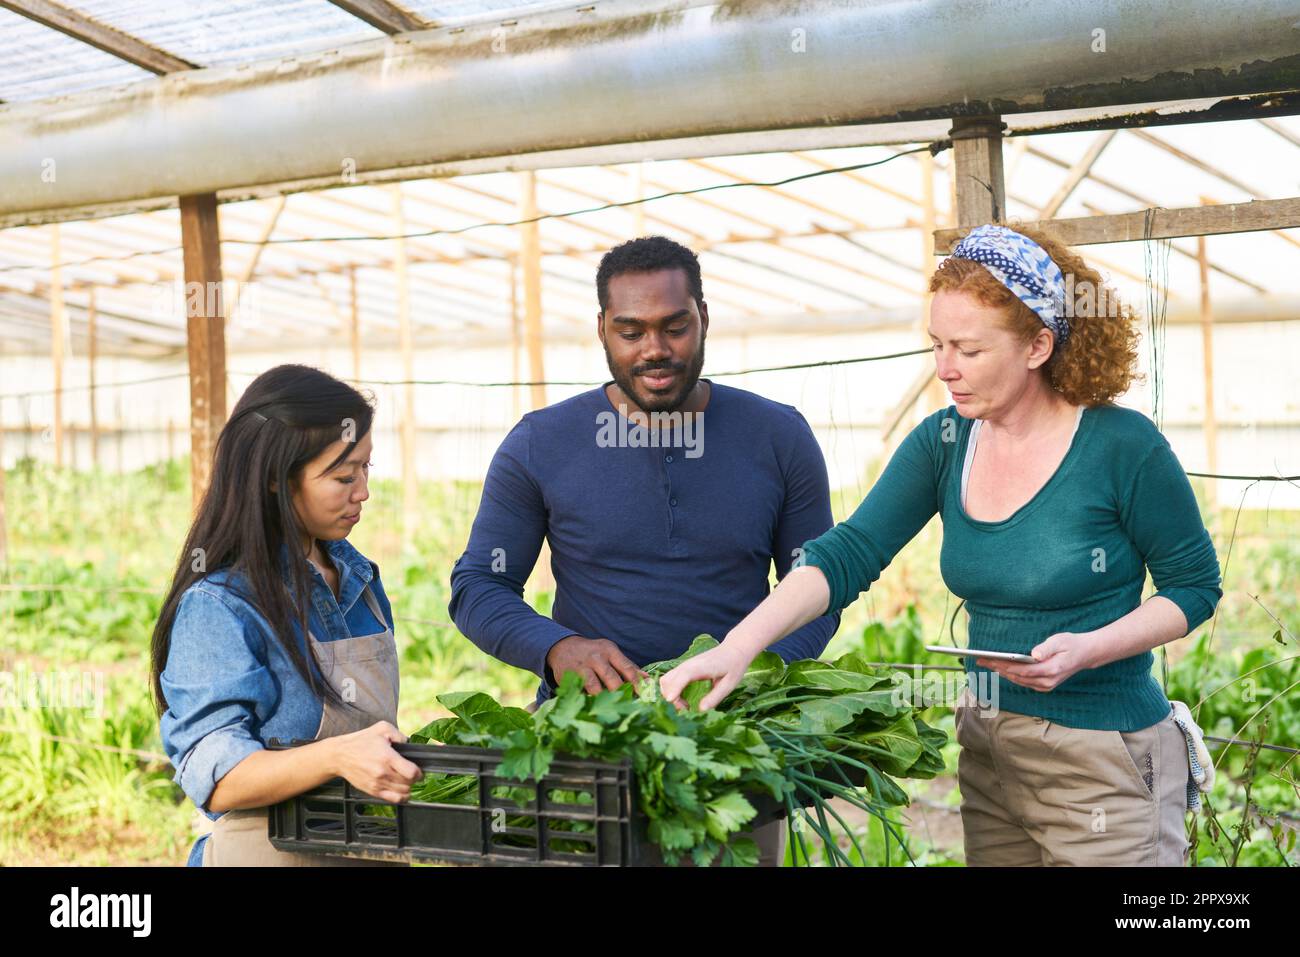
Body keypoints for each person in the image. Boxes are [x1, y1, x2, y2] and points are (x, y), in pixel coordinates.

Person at [660, 224, 1222, 867]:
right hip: (989, 748)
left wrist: (1089, 649)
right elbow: (849, 552)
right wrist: (738, 649)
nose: (945, 367)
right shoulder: (944, 441)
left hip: (1105, 755)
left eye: (968, 349)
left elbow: (1194, 588)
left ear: (1038, 345)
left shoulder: (1122, 447)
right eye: (937, 344)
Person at [448, 235, 842, 866]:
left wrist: (750, 671)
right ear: (602, 329)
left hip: (731, 743)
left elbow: (817, 590)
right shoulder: (541, 443)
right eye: (630, 331)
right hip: (588, 744)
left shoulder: (776, 436)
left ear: (704, 319)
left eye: (674, 327)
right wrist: (557, 650)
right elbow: (478, 587)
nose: (654, 350)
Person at [152, 364, 421, 866]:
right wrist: (339, 756)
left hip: (369, 846)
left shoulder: (358, 578)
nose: (362, 491)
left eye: (366, 469)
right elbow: (218, 778)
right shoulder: (220, 605)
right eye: (343, 476)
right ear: (276, 480)